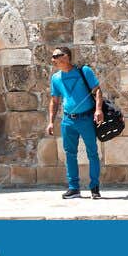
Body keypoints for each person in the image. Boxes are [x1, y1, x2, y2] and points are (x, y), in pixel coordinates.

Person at [46, 47, 104, 199]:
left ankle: (94, 188)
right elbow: (54, 100)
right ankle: (74, 188)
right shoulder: (56, 78)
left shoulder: (84, 71)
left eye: (56, 56)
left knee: (92, 153)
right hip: (67, 120)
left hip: (86, 118)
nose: (53, 59)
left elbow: (97, 90)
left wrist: (98, 110)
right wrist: (51, 122)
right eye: (53, 56)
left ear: (66, 57)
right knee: (70, 154)